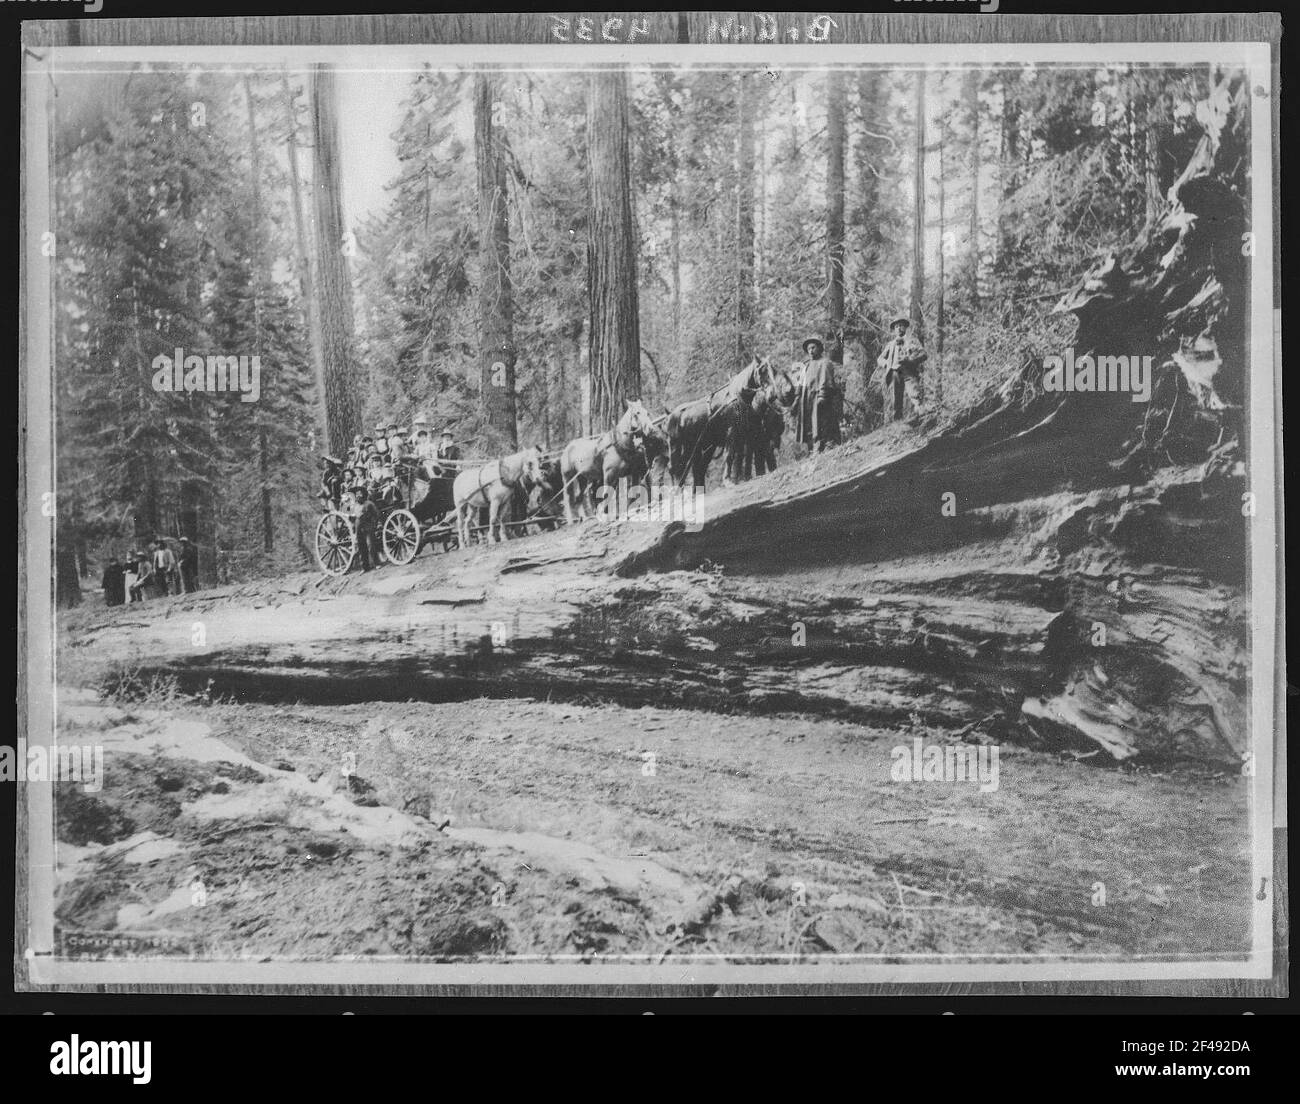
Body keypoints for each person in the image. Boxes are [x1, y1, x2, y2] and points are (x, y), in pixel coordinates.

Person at [794, 337, 840, 453]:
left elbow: (825, 380)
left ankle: (827, 444)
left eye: (813, 347)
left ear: (819, 349)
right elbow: (801, 382)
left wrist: (822, 395)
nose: (811, 351)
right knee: (809, 424)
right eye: (809, 348)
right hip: (808, 399)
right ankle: (814, 447)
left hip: (819, 397)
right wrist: (797, 397)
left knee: (822, 421)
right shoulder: (807, 365)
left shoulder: (824, 363)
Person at [878, 315, 928, 421]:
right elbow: (880, 359)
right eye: (896, 326)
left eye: (901, 326)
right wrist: (887, 363)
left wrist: (911, 360)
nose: (899, 328)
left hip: (909, 371)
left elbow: (923, 354)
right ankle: (897, 423)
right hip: (895, 373)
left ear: (905, 327)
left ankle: (923, 418)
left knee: (915, 394)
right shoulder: (891, 345)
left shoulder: (912, 340)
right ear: (894, 330)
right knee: (896, 398)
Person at [354, 486, 381, 572]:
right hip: (358, 529)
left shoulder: (369, 504)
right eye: (357, 494)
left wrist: (374, 525)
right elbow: (352, 518)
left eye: (360, 494)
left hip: (368, 527)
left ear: (363, 495)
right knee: (361, 548)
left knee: (371, 546)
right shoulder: (355, 506)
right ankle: (365, 567)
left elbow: (376, 514)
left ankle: (376, 564)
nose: (358, 496)